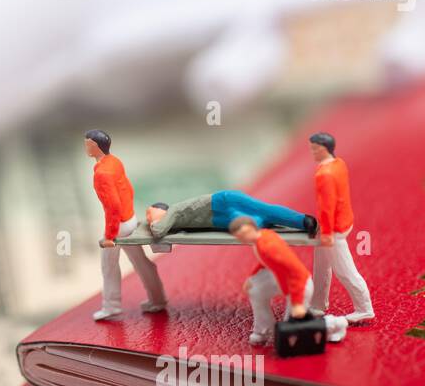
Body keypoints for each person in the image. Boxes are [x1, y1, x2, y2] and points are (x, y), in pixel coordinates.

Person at [85, 129, 167, 319]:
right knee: (141, 262)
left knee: (109, 266)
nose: (86, 147)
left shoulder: (102, 173)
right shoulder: (115, 161)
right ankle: (158, 299)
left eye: (87, 144)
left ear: (95, 146)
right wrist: (129, 214)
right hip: (129, 220)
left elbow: (112, 206)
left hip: (118, 226)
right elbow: (128, 190)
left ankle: (111, 306)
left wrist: (110, 236)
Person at [229, 216, 347, 347]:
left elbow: (295, 271)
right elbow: (265, 262)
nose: (243, 239)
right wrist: (252, 278)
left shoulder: (269, 246)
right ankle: (264, 330)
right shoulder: (261, 238)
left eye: (244, 234)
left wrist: (297, 303)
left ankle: (336, 324)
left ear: (251, 228)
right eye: (239, 237)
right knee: (255, 290)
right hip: (285, 282)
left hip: (299, 286)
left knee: (294, 325)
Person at [308, 132, 374, 324]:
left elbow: (327, 207)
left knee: (344, 270)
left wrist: (327, 233)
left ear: (323, 148)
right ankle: (318, 304)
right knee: (321, 266)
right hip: (342, 222)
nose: (312, 152)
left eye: (315, 149)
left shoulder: (324, 174)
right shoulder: (339, 164)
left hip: (333, 229)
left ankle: (364, 308)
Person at [145, 192, 317, 239]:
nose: (147, 216)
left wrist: (153, 223)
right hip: (221, 217)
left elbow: (159, 231)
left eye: (149, 211)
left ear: (161, 209)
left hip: (221, 202)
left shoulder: (174, 210)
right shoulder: (177, 221)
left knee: (265, 211)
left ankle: (304, 220)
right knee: (262, 217)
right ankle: (304, 221)